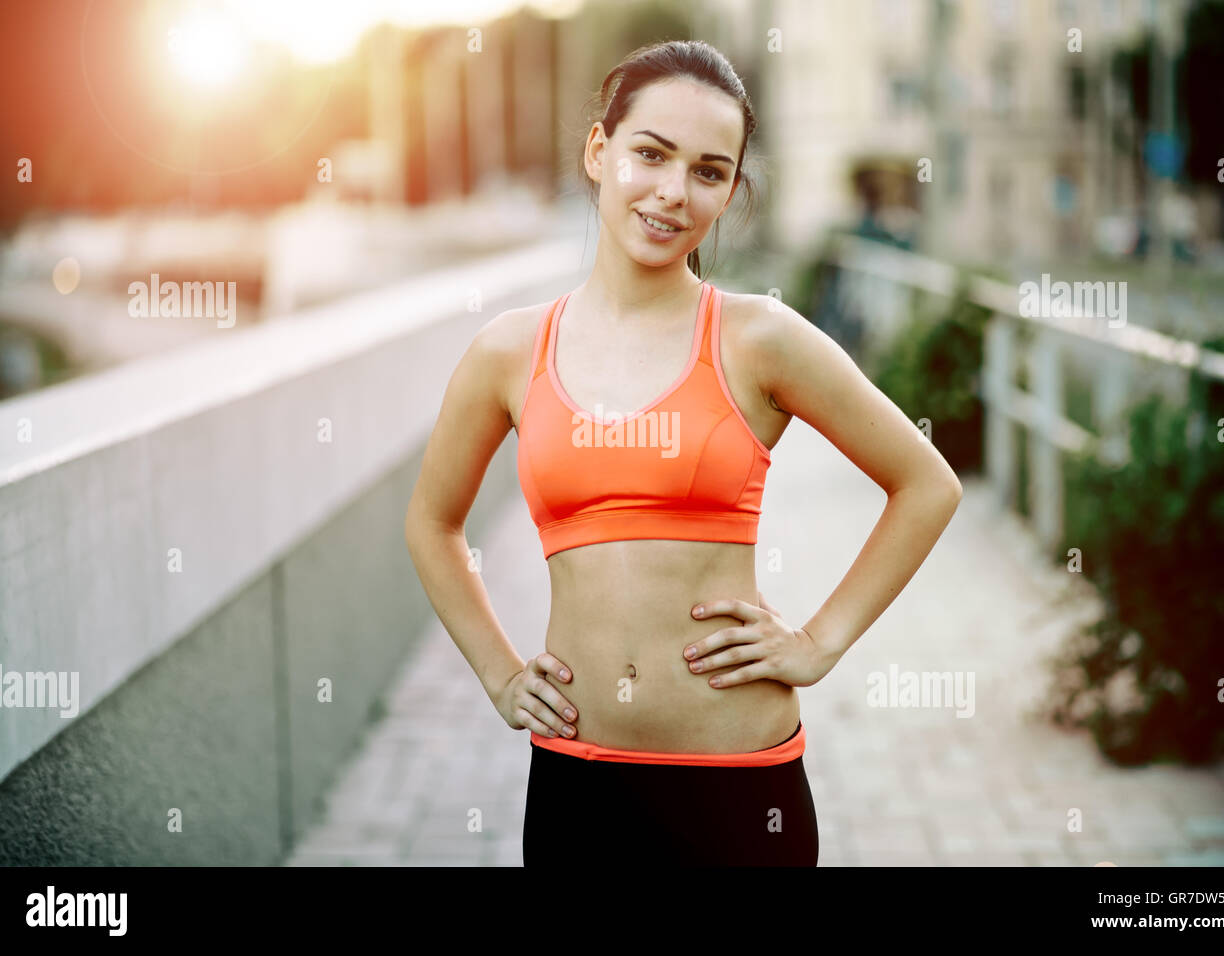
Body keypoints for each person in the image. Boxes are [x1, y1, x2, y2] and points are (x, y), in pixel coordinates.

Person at [404, 39, 963, 867]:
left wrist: (819, 641)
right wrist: (499, 673)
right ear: (600, 152)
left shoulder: (759, 339)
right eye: (650, 155)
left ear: (731, 191)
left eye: (708, 172)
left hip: (738, 789)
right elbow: (432, 522)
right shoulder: (508, 351)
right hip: (577, 782)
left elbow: (926, 482)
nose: (673, 193)